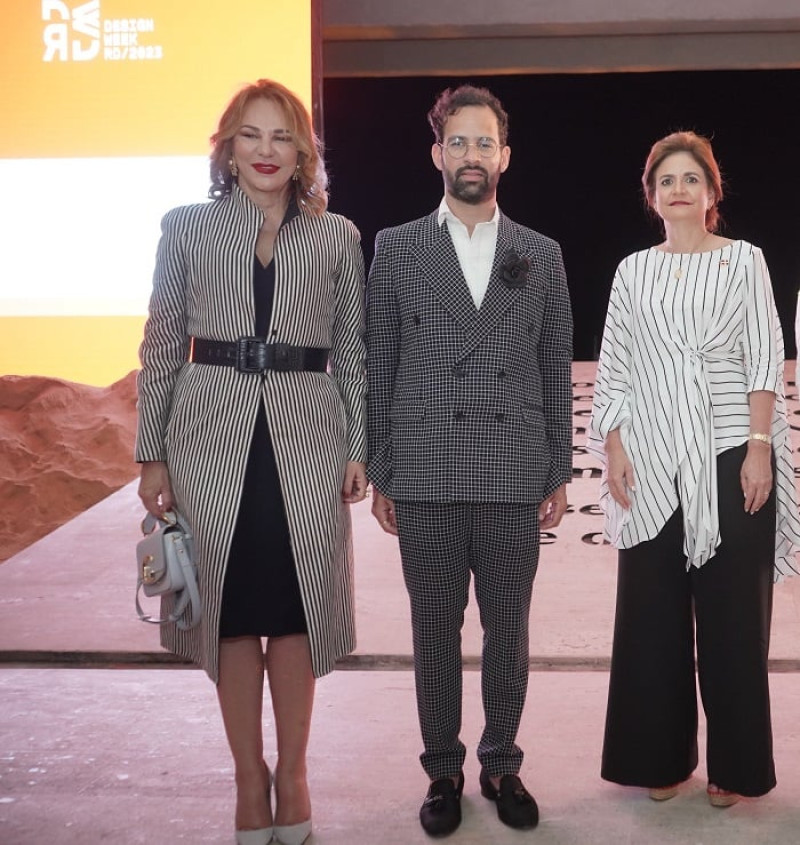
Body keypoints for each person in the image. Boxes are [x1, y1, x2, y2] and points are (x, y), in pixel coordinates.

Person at [135, 78, 367, 845]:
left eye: (282, 137)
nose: (266, 151)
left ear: (303, 152)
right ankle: (248, 777)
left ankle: (294, 772)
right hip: (207, 436)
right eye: (250, 135)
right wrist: (153, 452)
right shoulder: (186, 228)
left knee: (295, 605)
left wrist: (359, 444)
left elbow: (356, 355)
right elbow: (163, 341)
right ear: (227, 148)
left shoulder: (337, 237)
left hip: (306, 432)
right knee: (230, 614)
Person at [366, 84, 573, 836]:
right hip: (424, 466)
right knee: (433, 630)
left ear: (505, 156)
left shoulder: (540, 254)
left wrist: (558, 465)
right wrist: (380, 464)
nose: (472, 154)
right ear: (437, 154)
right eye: (459, 141)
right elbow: (377, 356)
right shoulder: (396, 247)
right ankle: (444, 769)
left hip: (515, 466)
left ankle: (503, 761)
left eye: (484, 142)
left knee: (509, 628)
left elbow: (556, 365)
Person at [588, 130, 800, 809]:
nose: (679, 189)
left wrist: (761, 444)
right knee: (650, 617)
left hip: (731, 448)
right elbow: (615, 366)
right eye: (666, 180)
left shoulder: (745, 261)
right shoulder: (632, 271)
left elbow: (765, 353)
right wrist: (615, 446)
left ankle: (734, 766)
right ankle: (659, 756)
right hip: (649, 456)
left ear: (712, 192)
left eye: (691, 178)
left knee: (735, 619)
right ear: (651, 195)